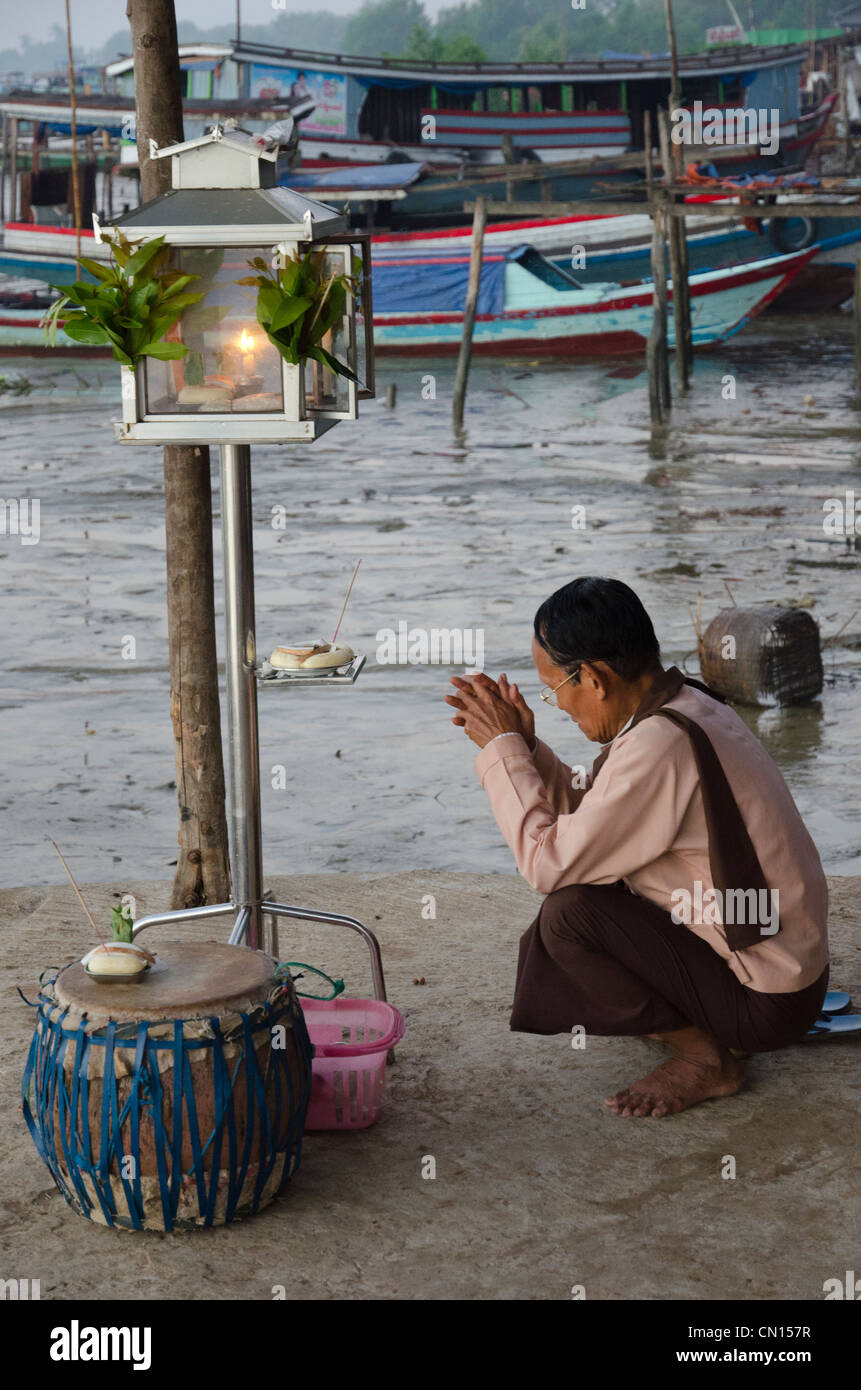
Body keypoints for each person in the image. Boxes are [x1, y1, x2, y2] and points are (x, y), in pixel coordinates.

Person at [445, 577, 829, 1118]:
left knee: (569, 915)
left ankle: (706, 1058)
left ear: (595, 678)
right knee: (590, 891)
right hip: (791, 977)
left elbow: (547, 864)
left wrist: (503, 750)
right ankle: (704, 1018)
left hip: (766, 1001)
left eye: (554, 690)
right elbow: (597, 812)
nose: (556, 706)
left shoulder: (657, 744)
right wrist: (527, 748)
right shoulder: (685, 704)